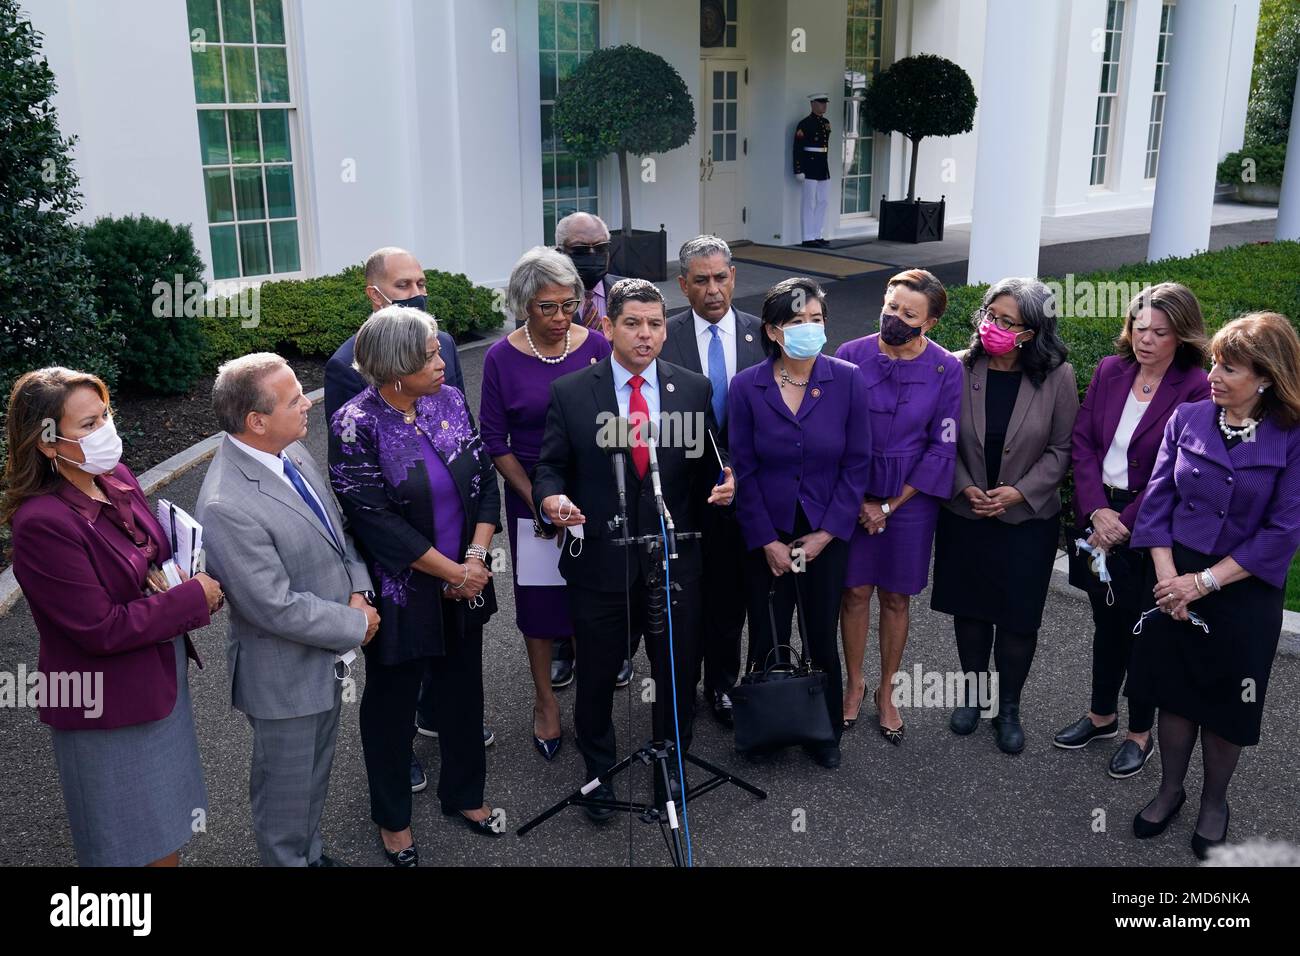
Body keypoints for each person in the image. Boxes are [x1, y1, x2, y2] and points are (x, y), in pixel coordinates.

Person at [531, 278, 735, 817]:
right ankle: (599, 777)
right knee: (597, 678)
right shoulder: (573, 393)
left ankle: (670, 770)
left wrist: (725, 480)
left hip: (674, 563)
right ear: (608, 326)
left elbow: (710, 459)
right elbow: (550, 467)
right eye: (633, 323)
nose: (646, 335)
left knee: (675, 674)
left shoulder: (691, 388)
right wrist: (551, 500)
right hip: (601, 563)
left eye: (656, 323)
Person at [6, 368, 223, 867]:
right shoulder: (42, 524)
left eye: (104, 415)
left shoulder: (114, 477)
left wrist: (169, 576)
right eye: (87, 425)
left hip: (155, 678)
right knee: (129, 843)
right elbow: (100, 628)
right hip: (107, 704)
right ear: (46, 443)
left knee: (165, 825)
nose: (105, 430)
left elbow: (149, 552)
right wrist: (191, 598)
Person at [330, 307, 502, 865]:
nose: (442, 359)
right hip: (403, 591)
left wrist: (474, 558)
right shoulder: (354, 423)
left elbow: (482, 480)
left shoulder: (447, 400)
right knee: (392, 706)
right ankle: (393, 819)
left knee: (462, 688)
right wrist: (451, 573)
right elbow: (373, 520)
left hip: (465, 573)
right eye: (430, 353)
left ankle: (465, 795)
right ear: (397, 366)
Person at [1127, 312, 1300, 860]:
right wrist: (1167, 584)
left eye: (1230, 367)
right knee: (1174, 695)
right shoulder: (1187, 419)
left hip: (1243, 591)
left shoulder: (1292, 437)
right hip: (1173, 580)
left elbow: (1284, 531)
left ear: (1267, 377)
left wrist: (1200, 584)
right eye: (1215, 364)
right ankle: (1170, 789)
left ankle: (1214, 802)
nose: (1214, 377)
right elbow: (1155, 506)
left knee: (1228, 704)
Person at [197, 353, 376, 867]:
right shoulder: (226, 504)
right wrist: (355, 623)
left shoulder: (290, 450)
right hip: (282, 679)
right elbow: (271, 606)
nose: (308, 403)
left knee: (313, 777)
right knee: (284, 797)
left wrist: (359, 589)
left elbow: (337, 530)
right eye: (295, 397)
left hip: (320, 660)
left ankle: (309, 855)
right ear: (256, 421)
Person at [1053, 284, 1210, 779]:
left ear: (1181, 336)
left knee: (1146, 631)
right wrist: (1097, 509)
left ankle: (1139, 733)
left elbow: (1181, 469)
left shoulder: (1197, 385)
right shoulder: (1109, 369)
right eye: (1139, 328)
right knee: (1107, 622)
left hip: (1152, 523)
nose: (1145, 340)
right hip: (1100, 516)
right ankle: (1102, 715)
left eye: (1159, 332)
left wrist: (1124, 522)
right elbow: (1081, 443)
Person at [728, 277, 872, 769]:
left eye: (816, 319)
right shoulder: (747, 386)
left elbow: (858, 464)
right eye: (796, 321)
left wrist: (828, 533)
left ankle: (824, 731)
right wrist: (766, 540)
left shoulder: (847, 379)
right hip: (766, 532)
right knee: (767, 633)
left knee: (819, 632)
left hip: (825, 534)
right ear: (772, 331)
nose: (809, 329)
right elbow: (741, 468)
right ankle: (767, 728)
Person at [930, 278, 1078, 754]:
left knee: (1017, 618)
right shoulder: (957, 366)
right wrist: (964, 487)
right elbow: (939, 438)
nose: (993, 326)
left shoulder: (1058, 376)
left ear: (1031, 333)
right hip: (966, 512)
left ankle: (1008, 707)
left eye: (1007, 321)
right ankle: (972, 696)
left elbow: (1062, 450)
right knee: (970, 609)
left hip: (1026, 521)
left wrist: (1018, 492)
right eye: (990, 315)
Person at [480, 247, 611, 760]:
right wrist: (537, 498)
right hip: (529, 497)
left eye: (568, 304)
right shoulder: (500, 357)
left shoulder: (597, 344)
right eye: (546, 308)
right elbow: (494, 439)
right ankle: (545, 704)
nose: (561, 318)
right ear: (523, 305)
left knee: (592, 601)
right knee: (539, 608)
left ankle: (590, 704)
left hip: (593, 494)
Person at [835, 269, 962, 742]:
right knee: (853, 592)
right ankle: (853, 684)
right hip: (853, 491)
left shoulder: (948, 367)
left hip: (909, 497)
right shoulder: (849, 355)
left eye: (909, 314)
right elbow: (834, 432)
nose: (896, 318)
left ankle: (886, 691)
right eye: (891, 308)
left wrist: (887, 506)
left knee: (895, 596)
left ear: (929, 323)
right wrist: (858, 500)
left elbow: (942, 446)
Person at [659, 235, 765, 726]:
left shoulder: (761, 334)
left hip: (743, 490)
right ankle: (679, 688)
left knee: (730, 595)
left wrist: (743, 474)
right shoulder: (664, 335)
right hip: (681, 492)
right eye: (701, 280)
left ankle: (723, 684)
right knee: (684, 595)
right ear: (683, 286)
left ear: (733, 277)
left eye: (721, 277)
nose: (713, 289)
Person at [551, 211, 628, 687]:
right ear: (561, 251)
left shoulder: (625, 294)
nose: (595, 256)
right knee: (559, 562)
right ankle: (563, 642)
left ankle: (613, 648)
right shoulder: (540, 298)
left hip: (614, 447)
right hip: (560, 446)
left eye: (601, 246)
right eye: (583, 249)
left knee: (612, 556)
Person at [324, 246, 464, 421]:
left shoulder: (445, 342)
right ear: (375, 295)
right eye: (403, 285)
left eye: (421, 284)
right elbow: (347, 441)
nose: (417, 294)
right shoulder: (346, 365)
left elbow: (463, 416)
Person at [554, 211, 628, 333]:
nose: (592, 254)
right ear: (559, 253)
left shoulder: (631, 291)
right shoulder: (541, 302)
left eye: (600, 247)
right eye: (580, 249)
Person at [793, 94, 832, 248]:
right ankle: (807, 237)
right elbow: (797, 148)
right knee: (809, 202)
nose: (824, 106)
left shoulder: (826, 123)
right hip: (809, 165)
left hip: (822, 165)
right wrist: (798, 169)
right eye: (821, 103)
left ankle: (817, 234)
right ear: (812, 104)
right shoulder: (805, 124)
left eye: (825, 103)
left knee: (823, 201)